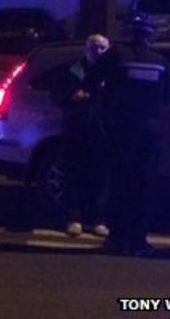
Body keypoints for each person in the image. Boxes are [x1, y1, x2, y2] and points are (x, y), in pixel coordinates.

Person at [99, 19, 170, 256]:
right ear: (150, 37)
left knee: (120, 184)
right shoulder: (161, 62)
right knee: (143, 187)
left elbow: (94, 79)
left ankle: (117, 238)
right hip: (150, 133)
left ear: (131, 34)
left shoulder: (116, 56)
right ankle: (138, 239)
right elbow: (168, 97)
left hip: (121, 131)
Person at [50, 34, 111, 238]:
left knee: (100, 177)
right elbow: (57, 94)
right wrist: (72, 96)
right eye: (95, 47)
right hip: (76, 130)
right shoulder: (75, 69)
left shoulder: (111, 71)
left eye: (103, 48)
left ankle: (98, 220)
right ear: (86, 48)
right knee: (74, 175)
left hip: (102, 132)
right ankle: (74, 219)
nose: (98, 51)